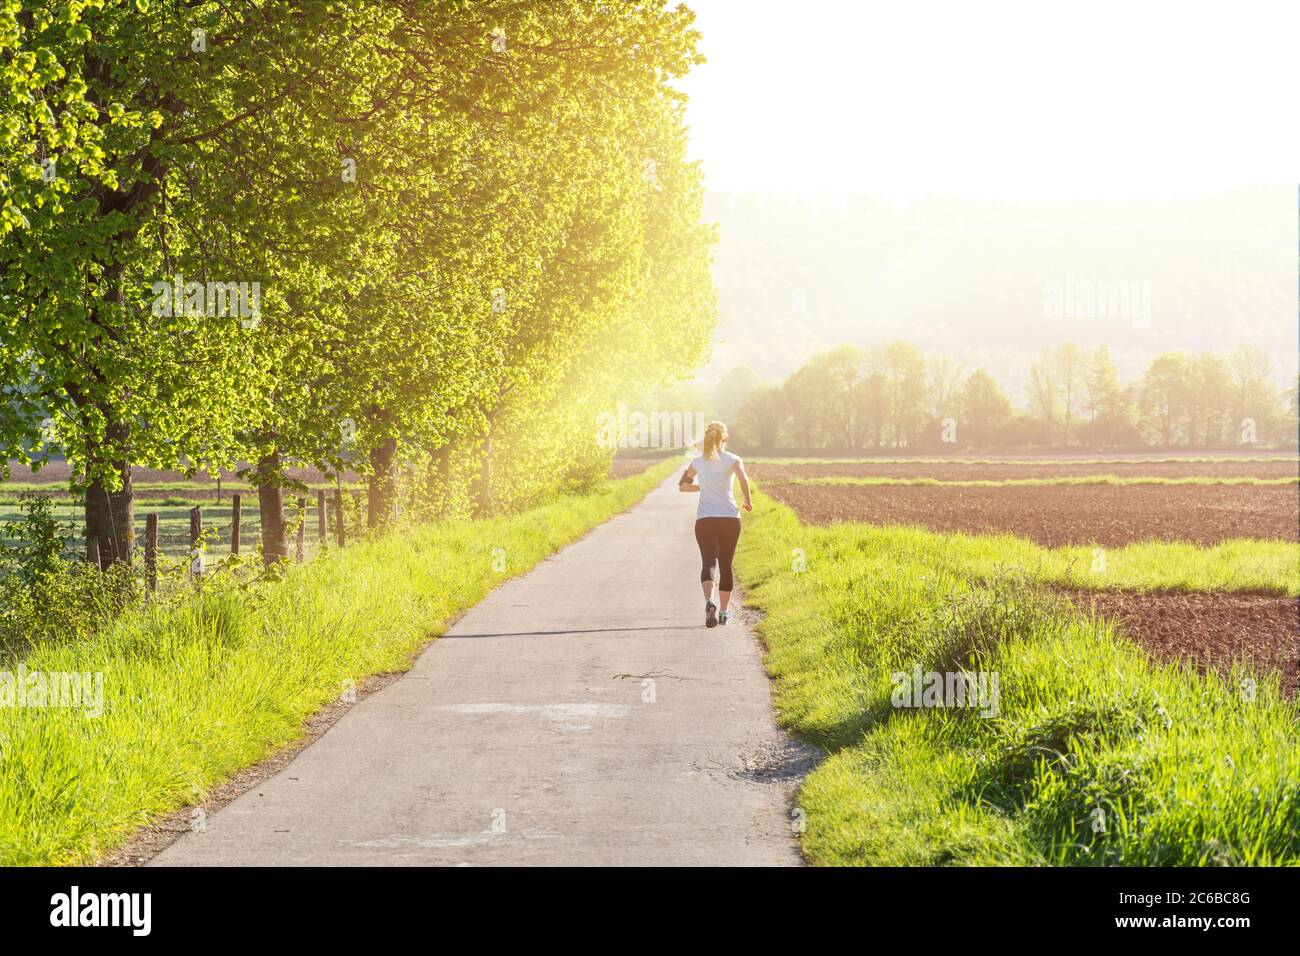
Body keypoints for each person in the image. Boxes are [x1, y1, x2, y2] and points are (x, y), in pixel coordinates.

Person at [678, 420, 752, 628]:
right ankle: (724, 612)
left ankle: (709, 602)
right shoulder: (733, 459)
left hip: (705, 520)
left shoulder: (698, 462)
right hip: (729, 518)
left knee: (709, 563)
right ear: (725, 438)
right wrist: (747, 500)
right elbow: (744, 479)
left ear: (707, 437)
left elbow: (683, 487)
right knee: (726, 565)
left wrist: (704, 486)